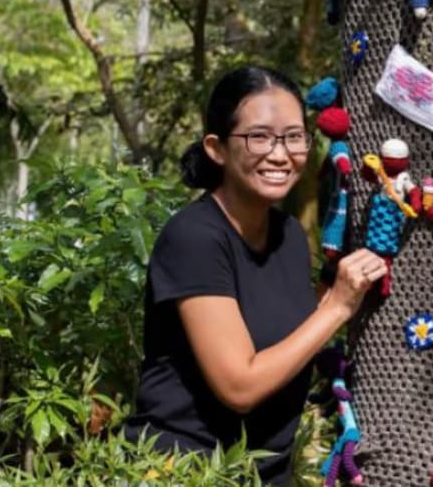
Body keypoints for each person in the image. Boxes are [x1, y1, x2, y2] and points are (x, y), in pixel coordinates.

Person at [122, 66, 387, 484]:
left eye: (294, 136)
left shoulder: (289, 235)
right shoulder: (194, 238)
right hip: (186, 470)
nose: (280, 154)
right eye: (259, 137)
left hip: (266, 472)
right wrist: (337, 306)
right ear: (217, 148)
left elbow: (293, 333)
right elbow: (239, 387)